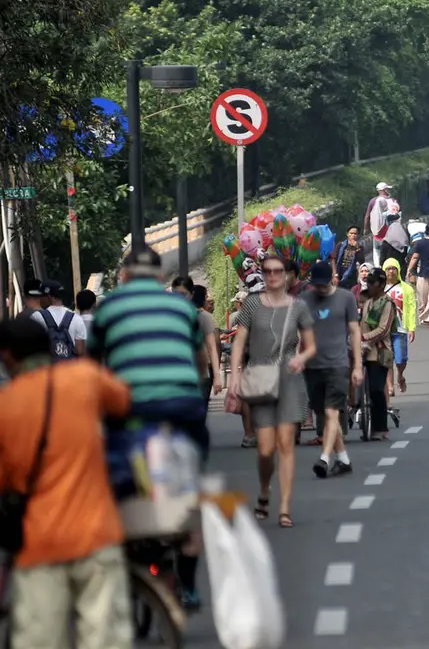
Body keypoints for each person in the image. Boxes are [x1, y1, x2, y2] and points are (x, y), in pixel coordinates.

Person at [0, 318, 133, 648]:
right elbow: (122, 402)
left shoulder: (6, 406)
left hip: (39, 544)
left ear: (8, 356)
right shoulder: (84, 378)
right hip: (96, 534)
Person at [90, 244, 209, 608]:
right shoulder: (182, 307)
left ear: (123, 276)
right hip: (184, 411)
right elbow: (198, 358)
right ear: (161, 278)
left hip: (131, 411)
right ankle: (187, 585)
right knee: (189, 497)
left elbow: (91, 368)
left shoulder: (108, 308)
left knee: (116, 483)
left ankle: (130, 544)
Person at [229, 253, 316, 528]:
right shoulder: (252, 305)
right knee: (265, 449)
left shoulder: (299, 307)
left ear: (287, 275)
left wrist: (301, 358)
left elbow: (311, 344)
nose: (273, 276)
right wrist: (234, 375)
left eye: (278, 271)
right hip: (260, 378)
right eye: (268, 271)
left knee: (286, 444)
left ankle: (285, 507)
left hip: (290, 380)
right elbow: (239, 343)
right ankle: (265, 490)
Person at [300, 263, 362, 478]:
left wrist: (357, 366)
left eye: (323, 285)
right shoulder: (304, 300)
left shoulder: (346, 298)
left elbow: (354, 331)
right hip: (312, 366)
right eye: (315, 285)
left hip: (338, 364)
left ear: (332, 280)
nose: (319, 289)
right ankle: (343, 459)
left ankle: (324, 458)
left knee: (331, 411)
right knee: (324, 415)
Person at [359, 267, 396, 435]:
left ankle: (380, 428)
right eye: (368, 282)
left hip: (380, 351)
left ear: (381, 284)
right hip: (362, 350)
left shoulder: (387, 303)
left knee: (376, 389)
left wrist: (365, 338)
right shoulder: (367, 302)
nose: (370, 286)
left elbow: (384, 329)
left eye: (373, 283)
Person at [382, 257, 416, 399]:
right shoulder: (380, 287)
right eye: (388, 269)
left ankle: (400, 376)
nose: (391, 272)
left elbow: (412, 308)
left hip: (400, 329)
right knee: (387, 359)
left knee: (401, 359)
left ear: (398, 270)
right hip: (383, 331)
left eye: (394, 269)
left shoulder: (406, 288)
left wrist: (412, 328)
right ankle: (390, 387)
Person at [33, 279, 87, 359]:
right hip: (69, 369)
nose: (39, 300)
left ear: (50, 297)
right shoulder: (76, 318)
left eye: (41, 296)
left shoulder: (36, 317)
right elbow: (80, 351)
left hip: (47, 369)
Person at [369, 181, 409, 268]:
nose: (388, 191)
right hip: (390, 233)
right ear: (383, 190)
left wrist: (367, 229)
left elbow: (368, 215)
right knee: (390, 251)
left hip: (378, 232)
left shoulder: (373, 201)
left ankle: (379, 267)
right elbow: (398, 215)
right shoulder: (393, 201)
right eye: (387, 189)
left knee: (378, 251)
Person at [331, 225, 365, 290]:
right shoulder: (340, 245)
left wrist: (357, 248)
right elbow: (333, 260)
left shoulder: (360, 247)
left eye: (355, 234)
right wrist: (335, 275)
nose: (353, 235)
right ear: (347, 234)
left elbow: (362, 261)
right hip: (339, 276)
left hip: (351, 278)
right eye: (351, 233)